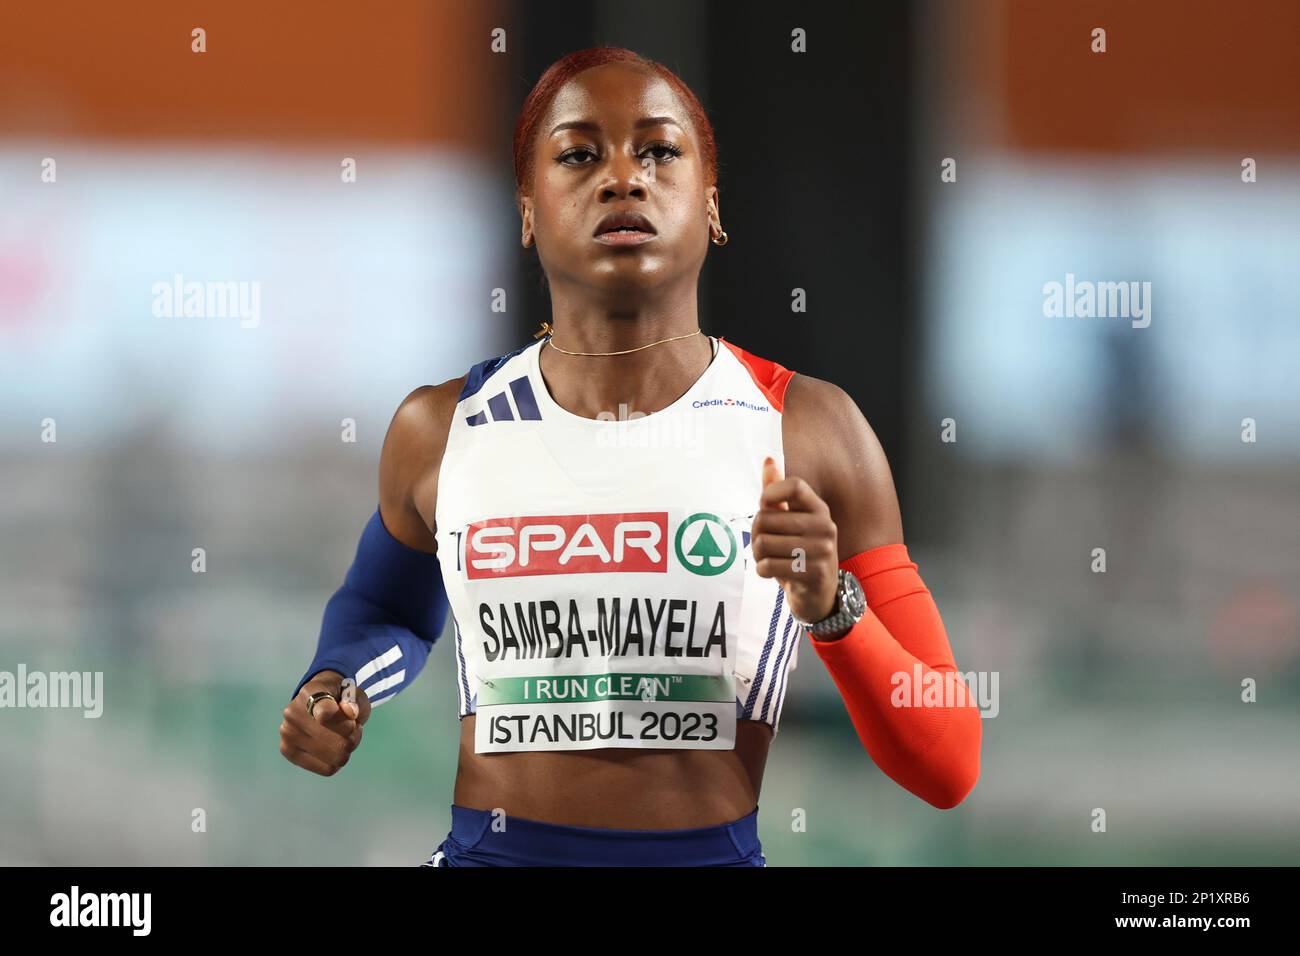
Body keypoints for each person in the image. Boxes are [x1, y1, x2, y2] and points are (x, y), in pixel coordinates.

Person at [279, 46, 981, 867]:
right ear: (527, 211)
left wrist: (833, 607)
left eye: (659, 150)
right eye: (580, 154)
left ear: (713, 207)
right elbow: (387, 613)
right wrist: (334, 686)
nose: (624, 178)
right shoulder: (440, 428)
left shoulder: (812, 430)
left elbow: (949, 763)